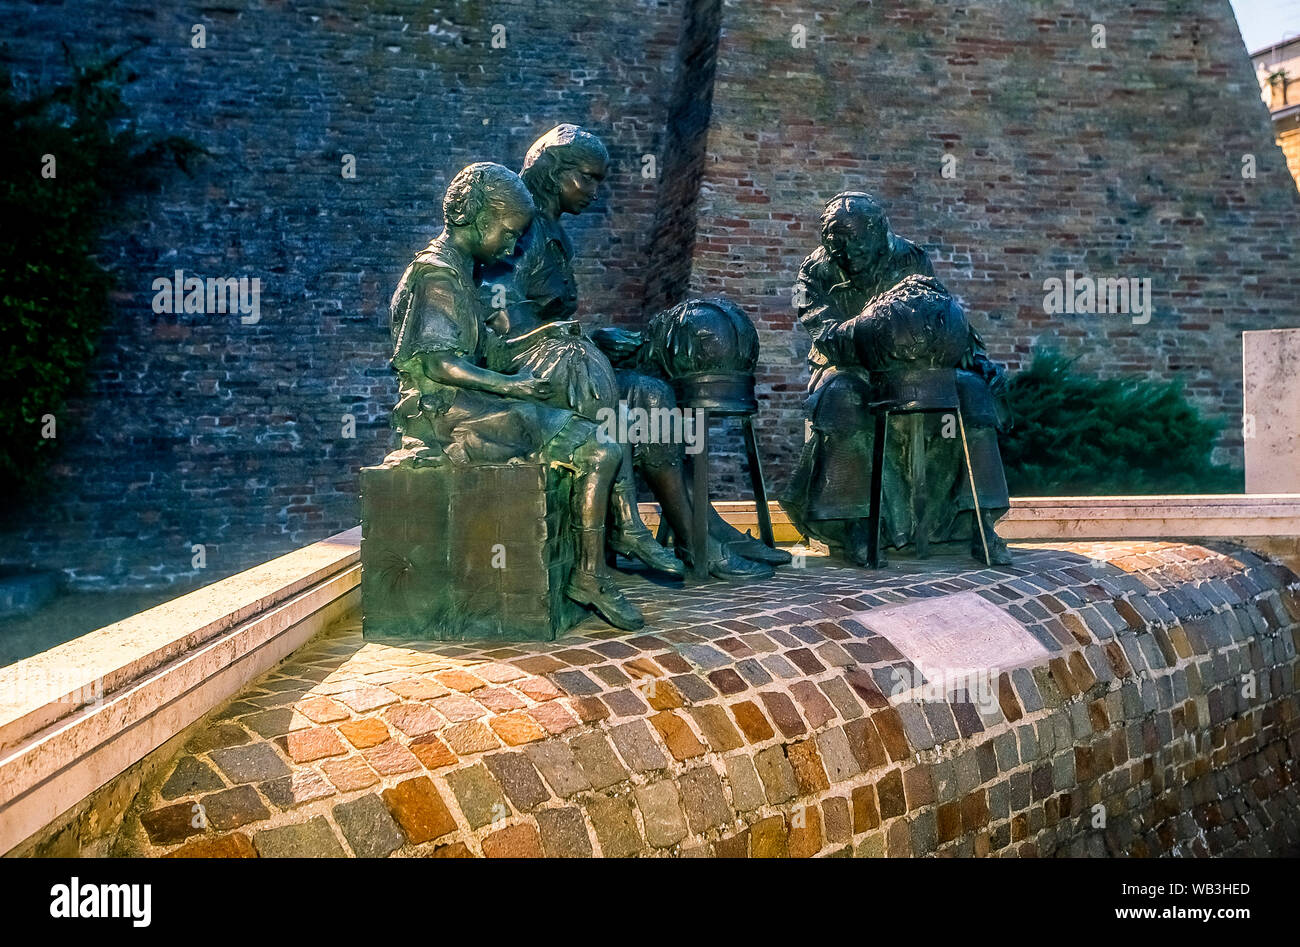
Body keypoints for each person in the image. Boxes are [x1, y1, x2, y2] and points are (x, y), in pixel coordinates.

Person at [484, 124, 782, 579]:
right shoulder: (520, 229)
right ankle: (694, 539)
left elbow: (543, 318)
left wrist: (593, 338)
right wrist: (585, 339)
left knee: (656, 386)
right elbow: (503, 320)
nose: (593, 192)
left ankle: (706, 527)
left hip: (557, 361)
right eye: (585, 177)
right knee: (648, 397)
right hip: (526, 377)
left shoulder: (550, 231)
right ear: (551, 171)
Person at [387, 161, 643, 629]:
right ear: (480, 220)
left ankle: (592, 568)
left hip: (468, 404)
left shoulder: (462, 273)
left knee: (589, 423)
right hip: (446, 414)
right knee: (599, 447)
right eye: (508, 233)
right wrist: (514, 387)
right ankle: (590, 576)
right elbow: (439, 364)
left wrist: (548, 337)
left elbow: (491, 354)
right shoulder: (437, 276)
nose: (512, 244)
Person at [783, 191, 1012, 565]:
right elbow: (826, 335)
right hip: (848, 365)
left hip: (914, 363)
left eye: (858, 244)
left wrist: (972, 352)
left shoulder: (911, 257)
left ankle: (977, 522)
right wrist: (877, 327)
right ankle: (856, 524)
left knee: (972, 392)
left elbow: (935, 312)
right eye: (838, 248)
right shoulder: (812, 272)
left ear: (878, 232)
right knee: (844, 399)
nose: (850, 256)